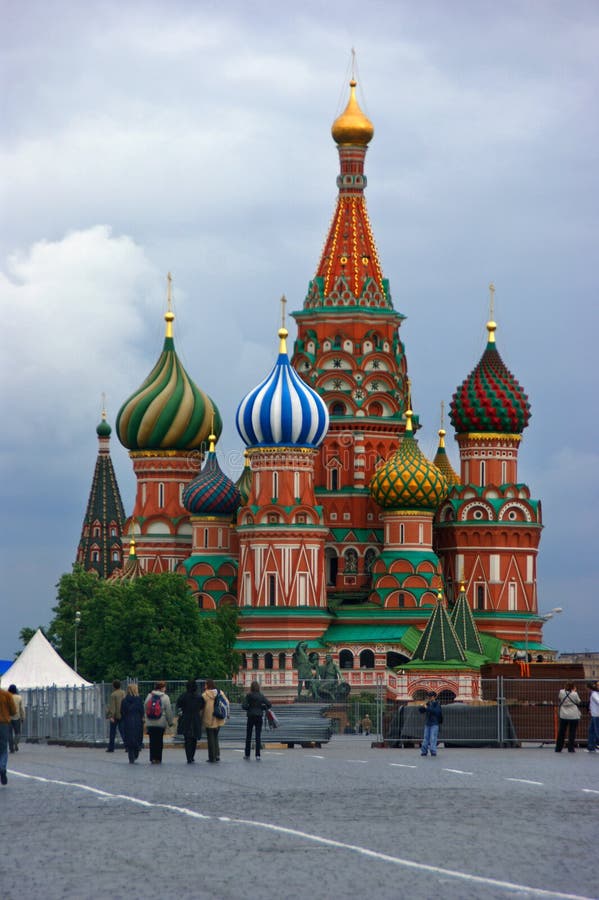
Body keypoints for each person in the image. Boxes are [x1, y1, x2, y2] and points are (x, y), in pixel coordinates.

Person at [144, 681, 174, 764]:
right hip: (161, 722)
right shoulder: (165, 697)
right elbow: (168, 711)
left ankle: (152, 757)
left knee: (152, 741)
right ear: (162, 688)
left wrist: (146, 719)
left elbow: (145, 707)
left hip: (150, 722)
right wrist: (170, 722)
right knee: (159, 741)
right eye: (164, 687)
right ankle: (158, 758)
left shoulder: (149, 696)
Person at [176, 680, 205, 764]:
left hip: (186, 718)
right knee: (194, 738)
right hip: (196, 718)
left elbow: (179, 705)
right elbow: (202, 706)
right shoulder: (199, 697)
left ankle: (188, 756)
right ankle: (192, 756)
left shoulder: (183, 696)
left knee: (187, 739)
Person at [242, 680, 271, 761]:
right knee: (258, 736)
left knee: (248, 736)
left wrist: (250, 708)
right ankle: (257, 755)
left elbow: (243, 706)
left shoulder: (249, 695)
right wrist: (261, 708)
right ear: (258, 687)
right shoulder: (261, 696)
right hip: (259, 716)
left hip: (251, 716)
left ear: (251, 687)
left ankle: (247, 754)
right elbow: (269, 704)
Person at [202, 679, 228, 763]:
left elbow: (201, 708)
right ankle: (217, 755)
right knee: (216, 737)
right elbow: (227, 702)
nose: (204, 685)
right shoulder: (220, 692)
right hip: (219, 718)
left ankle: (211, 757)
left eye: (205, 684)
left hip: (209, 718)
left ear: (207, 685)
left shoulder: (205, 695)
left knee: (210, 738)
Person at [120, 684, 145, 764]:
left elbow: (122, 712)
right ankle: (136, 751)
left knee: (129, 738)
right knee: (137, 737)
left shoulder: (124, 701)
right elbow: (142, 711)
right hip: (137, 721)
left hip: (127, 721)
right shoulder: (139, 700)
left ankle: (131, 755)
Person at [555, 682, 582, 753]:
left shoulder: (561, 692)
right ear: (573, 687)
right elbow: (578, 701)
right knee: (572, 732)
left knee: (561, 732)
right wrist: (574, 691)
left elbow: (560, 698)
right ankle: (571, 748)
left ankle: (558, 748)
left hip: (563, 714)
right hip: (573, 714)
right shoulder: (574, 694)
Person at [0, 686, 17, 785]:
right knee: (3, 748)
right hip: (4, 723)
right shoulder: (7, 695)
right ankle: (2, 768)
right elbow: (13, 711)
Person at [418, 691, 443, 757]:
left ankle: (433, 751)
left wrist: (427, 708)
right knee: (426, 738)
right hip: (428, 723)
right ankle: (424, 751)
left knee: (433, 738)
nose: (429, 698)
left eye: (431, 696)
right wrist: (422, 706)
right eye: (429, 697)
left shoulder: (437, 704)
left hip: (434, 723)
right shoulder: (428, 703)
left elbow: (436, 712)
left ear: (434, 697)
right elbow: (421, 711)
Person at [105, 679, 126, 752]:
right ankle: (127, 746)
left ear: (113, 686)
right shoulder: (124, 693)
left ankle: (111, 747)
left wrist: (110, 716)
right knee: (123, 731)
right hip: (123, 714)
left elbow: (112, 707)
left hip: (115, 715)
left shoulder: (113, 694)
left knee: (112, 732)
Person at [8, 685, 25, 753]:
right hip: (17, 717)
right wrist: (23, 717)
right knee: (18, 733)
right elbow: (22, 709)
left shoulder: (7, 697)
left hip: (8, 718)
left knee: (9, 734)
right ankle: (15, 743)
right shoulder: (19, 697)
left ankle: (11, 748)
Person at [587, 681, 599, 753]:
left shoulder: (594, 694)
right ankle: (591, 746)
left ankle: (595, 746)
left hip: (596, 714)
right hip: (594, 714)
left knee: (597, 731)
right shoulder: (595, 693)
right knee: (591, 730)